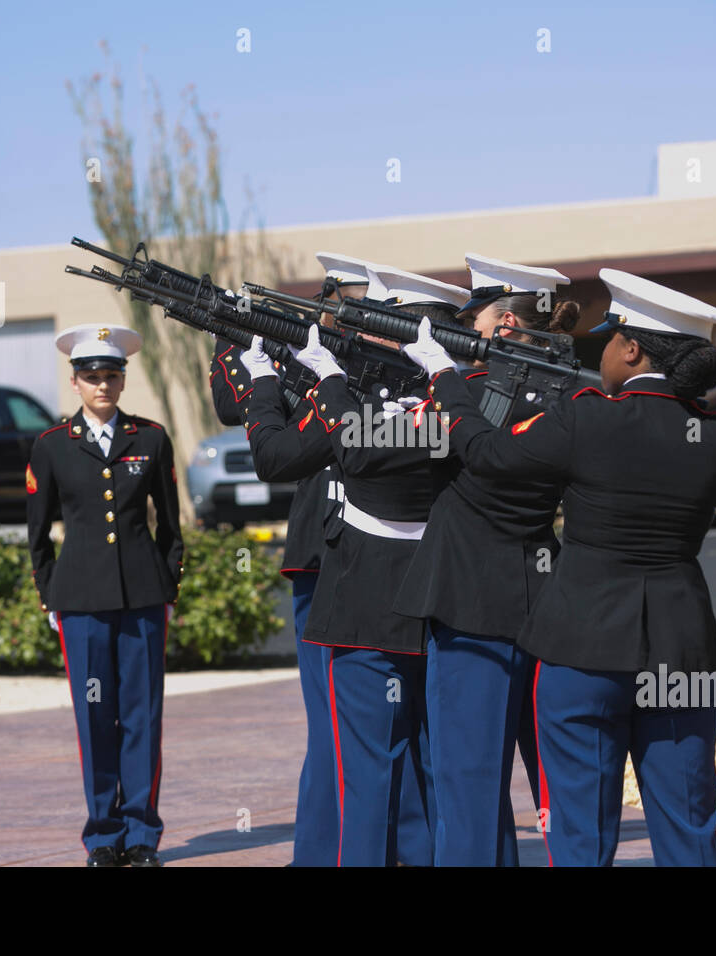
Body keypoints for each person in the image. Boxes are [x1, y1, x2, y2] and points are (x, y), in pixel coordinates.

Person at [400, 269, 716, 866]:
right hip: (679, 646)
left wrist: (444, 381)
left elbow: (487, 455)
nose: (603, 348)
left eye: (612, 337)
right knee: (689, 823)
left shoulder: (587, 418)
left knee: (581, 833)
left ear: (633, 349)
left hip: (581, 648)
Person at [240, 265, 469, 865]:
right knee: (421, 765)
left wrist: (304, 379)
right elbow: (281, 455)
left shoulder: (418, 412)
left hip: (367, 607)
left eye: (384, 324)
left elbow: (348, 444)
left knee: (362, 774)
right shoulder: (458, 402)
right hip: (433, 605)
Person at [392, 254, 577, 865]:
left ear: (504, 327)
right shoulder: (579, 397)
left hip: (470, 606)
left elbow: (380, 452)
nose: (465, 332)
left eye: (475, 320)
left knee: (469, 782)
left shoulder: (463, 393)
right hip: (546, 600)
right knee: (558, 783)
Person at [205, 252, 362, 866]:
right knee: (330, 724)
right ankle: (325, 851)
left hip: (392, 554)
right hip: (323, 549)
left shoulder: (398, 365)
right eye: (350, 304)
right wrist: (234, 333)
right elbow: (230, 403)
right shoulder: (306, 352)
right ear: (327, 302)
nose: (360, 319)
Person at [26, 323, 184, 867]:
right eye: (91, 377)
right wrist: (50, 594)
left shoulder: (151, 438)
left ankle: (141, 835)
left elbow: (170, 523)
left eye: (111, 376)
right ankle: (102, 836)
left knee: (142, 716)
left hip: (142, 598)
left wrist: (168, 583)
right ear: (75, 382)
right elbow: (37, 531)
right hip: (81, 603)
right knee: (95, 718)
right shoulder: (51, 447)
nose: (102, 386)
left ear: (122, 379)